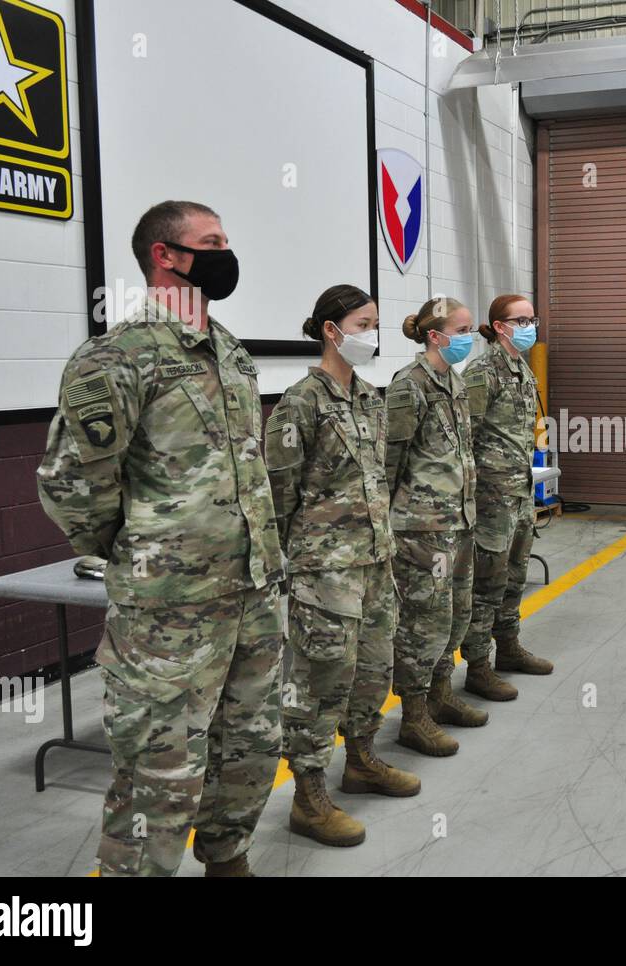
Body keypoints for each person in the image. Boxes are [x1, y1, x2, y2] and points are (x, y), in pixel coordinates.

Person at [37, 200, 283, 876]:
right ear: (165, 256)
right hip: (169, 611)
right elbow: (72, 487)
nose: (226, 252)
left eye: (227, 239)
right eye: (212, 241)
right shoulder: (116, 357)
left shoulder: (227, 348)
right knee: (161, 771)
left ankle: (228, 857)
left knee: (251, 745)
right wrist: (148, 549)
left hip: (253, 595)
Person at [266, 284, 420, 849]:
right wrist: (296, 566)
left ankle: (360, 762)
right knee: (319, 681)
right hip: (324, 574)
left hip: (375, 564)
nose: (372, 334)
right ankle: (308, 798)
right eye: (363, 323)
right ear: (332, 330)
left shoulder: (372, 400)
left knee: (374, 670)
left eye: (375, 323)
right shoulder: (300, 402)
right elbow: (277, 493)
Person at [385, 297, 486, 756]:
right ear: (434, 336)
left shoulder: (456, 382)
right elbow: (390, 462)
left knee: (455, 615)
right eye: (461, 330)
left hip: (459, 520)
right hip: (422, 529)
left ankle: (442, 696)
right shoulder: (409, 386)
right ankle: (414, 715)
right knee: (422, 624)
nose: (469, 338)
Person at [458, 295, 552, 704]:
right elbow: (467, 435)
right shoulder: (483, 371)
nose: (530, 325)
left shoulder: (521, 369)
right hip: (492, 496)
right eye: (521, 319)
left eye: (533, 318)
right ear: (499, 326)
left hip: (519, 492)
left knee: (515, 574)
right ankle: (478, 667)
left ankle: (509, 647)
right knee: (488, 582)